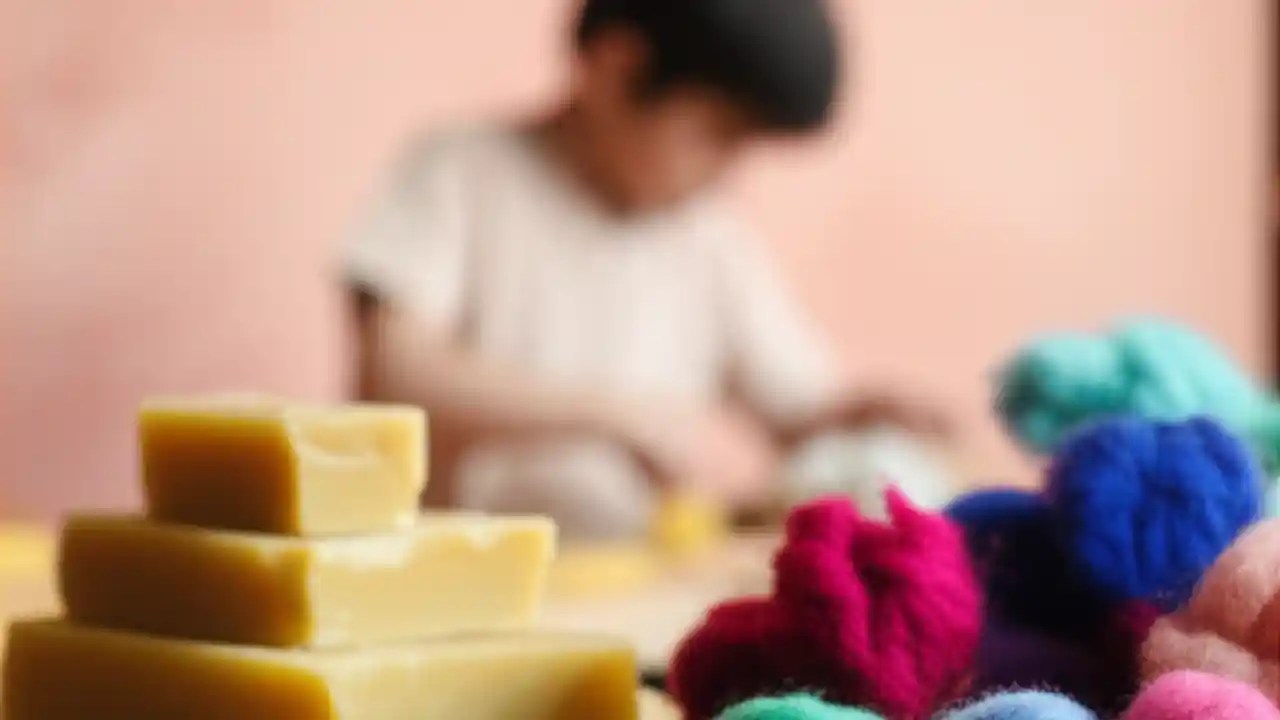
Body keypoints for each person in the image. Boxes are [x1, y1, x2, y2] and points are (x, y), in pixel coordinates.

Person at [346, 0, 945, 538]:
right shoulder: (461, 172)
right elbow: (396, 373)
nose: (727, 173)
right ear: (617, 70)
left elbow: (795, 412)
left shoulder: (707, 235)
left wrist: (856, 419)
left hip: (632, 587)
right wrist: (617, 417)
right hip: (471, 582)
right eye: (716, 135)